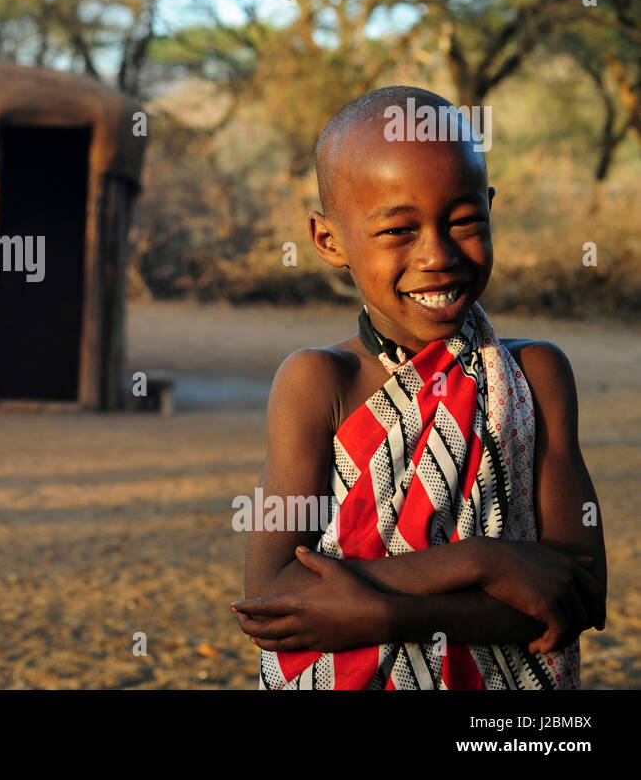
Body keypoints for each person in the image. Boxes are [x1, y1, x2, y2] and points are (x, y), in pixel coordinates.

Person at [231, 86, 607, 689]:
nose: (437, 254)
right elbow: (275, 595)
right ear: (330, 240)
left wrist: (387, 613)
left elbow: (579, 595)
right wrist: (487, 560)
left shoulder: (535, 376)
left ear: (490, 209)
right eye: (399, 231)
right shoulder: (320, 382)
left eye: (464, 221)